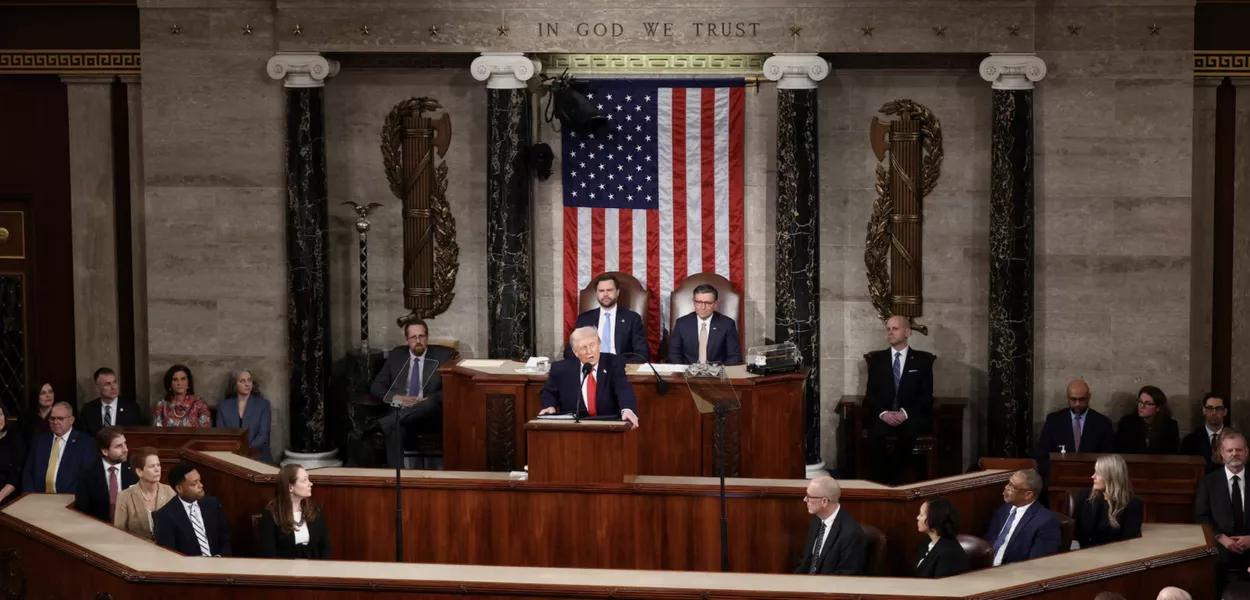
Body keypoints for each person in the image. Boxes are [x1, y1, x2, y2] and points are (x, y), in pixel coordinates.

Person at [369, 320, 456, 469]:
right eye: (413, 337)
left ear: (427, 337)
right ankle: (397, 478)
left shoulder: (443, 357)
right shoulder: (397, 356)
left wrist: (429, 399)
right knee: (395, 425)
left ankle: (382, 423)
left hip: (428, 415)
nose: (418, 341)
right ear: (407, 340)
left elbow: (452, 389)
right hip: (402, 412)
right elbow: (376, 387)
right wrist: (395, 398)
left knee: (428, 403)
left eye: (421, 336)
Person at [863, 315, 935, 484]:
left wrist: (904, 413)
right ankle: (878, 486)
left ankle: (900, 484)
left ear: (908, 332)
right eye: (888, 329)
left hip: (910, 416)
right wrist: (883, 413)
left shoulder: (922, 361)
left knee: (907, 435)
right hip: (884, 416)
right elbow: (870, 395)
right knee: (875, 436)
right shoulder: (877, 360)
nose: (890, 332)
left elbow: (926, 396)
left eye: (895, 329)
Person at [538, 326, 640, 428]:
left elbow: (623, 388)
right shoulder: (561, 369)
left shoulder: (613, 363)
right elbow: (548, 392)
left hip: (608, 427)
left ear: (599, 344)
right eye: (583, 347)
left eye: (592, 345)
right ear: (575, 352)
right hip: (573, 430)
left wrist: (627, 409)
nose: (589, 351)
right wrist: (550, 406)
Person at [1195, 428, 1250, 593]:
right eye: (1230, 450)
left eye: (1239, 450)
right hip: (1220, 550)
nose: (1235, 453)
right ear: (1222, 453)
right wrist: (1222, 538)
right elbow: (1200, 516)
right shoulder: (1209, 482)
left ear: (1246, 452)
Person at [984, 469, 1061, 566]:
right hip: (985, 569)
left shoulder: (1046, 522)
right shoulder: (1003, 510)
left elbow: (1038, 563)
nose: (1006, 487)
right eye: (1008, 483)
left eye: (1012, 486)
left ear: (1028, 494)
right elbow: (989, 541)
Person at [565, 273, 649, 362]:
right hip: (591, 367)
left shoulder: (632, 319)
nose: (605, 294)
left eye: (609, 290)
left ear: (617, 292)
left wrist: (620, 364)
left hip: (620, 367)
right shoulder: (584, 319)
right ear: (596, 293)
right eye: (601, 291)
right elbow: (569, 352)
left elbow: (642, 353)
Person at [153, 462, 230, 556]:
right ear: (179, 489)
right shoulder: (165, 516)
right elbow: (169, 556)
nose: (201, 485)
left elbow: (225, 539)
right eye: (194, 484)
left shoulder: (212, 504)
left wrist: (219, 558)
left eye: (199, 481)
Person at [794, 475, 866, 575]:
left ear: (824, 501)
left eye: (809, 497)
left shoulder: (851, 534)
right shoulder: (817, 521)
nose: (805, 499)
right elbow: (805, 561)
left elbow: (847, 575)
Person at [1035, 379, 1115, 467]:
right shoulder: (1054, 421)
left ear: (1089, 397)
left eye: (1082, 399)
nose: (1077, 404)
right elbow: (1042, 454)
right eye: (1073, 399)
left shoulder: (1102, 423)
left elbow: (1108, 458)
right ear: (1068, 398)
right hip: (1060, 474)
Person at [20, 401, 95, 494]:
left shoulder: (86, 443)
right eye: (52, 418)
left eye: (60, 418)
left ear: (71, 420)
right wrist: (30, 495)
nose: (55, 422)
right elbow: (28, 472)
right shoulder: (39, 441)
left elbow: (88, 476)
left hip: (70, 499)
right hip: (38, 498)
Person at [258, 464, 329, 559]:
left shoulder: (314, 510)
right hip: (284, 571)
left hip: (314, 569)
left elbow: (325, 547)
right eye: (304, 480)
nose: (310, 483)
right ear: (290, 487)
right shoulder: (271, 514)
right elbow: (268, 554)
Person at [1073, 454, 1143, 548]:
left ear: (1111, 476)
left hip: (1114, 557)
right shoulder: (1084, 496)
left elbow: (1128, 542)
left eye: (1098, 473)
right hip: (1084, 554)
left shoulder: (1132, 504)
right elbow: (1074, 532)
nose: (1093, 476)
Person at [74, 427, 138, 522]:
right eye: (119, 446)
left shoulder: (134, 471)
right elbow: (82, 511)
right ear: (105, 451)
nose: (125, 449)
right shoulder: (87, 475)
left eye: (125, 443)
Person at [667, 284, 742, 365]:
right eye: (698, 302)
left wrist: (719, 372)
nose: (703, 307)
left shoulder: (727, 324)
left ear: (715, 304)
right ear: (694, 302)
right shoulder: (681, 323)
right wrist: (683, 372)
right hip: (687, 373)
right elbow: (674, 354)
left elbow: (734, 356)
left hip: (717, 374)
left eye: (708, 303)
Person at [113, 446, 176, 540]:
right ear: (139, 472)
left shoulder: (170, 492)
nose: (157, 469)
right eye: (152, 466)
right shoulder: (124, 497)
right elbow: (119, 533)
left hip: (166, 550)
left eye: (158, 465)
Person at [215, 369, 273, 463]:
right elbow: (221, 433)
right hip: (231, 455)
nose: (247, 384)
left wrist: (245, 451)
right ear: (235, 384)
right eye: (242, 381)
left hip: (257, 456)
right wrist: (235, 451)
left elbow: (263, 435)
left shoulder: (263, 405)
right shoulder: (224, 406)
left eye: (249, 380)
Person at [913, 497, 969, 578]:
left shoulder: (949, 554)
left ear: (933, 519)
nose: (917, 517)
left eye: (921, 515)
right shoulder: (927, 542)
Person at [1115, 385, 1179, 454]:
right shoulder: (1127, 423)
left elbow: (1171, 454)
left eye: (1147, 403)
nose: (1142, 406)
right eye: (1140, 402)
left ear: (1158, 408)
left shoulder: (1170, 426)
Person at [79, 368, 143, 436]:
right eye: (107, 384)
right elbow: (84, 437)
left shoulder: (131, 408)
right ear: (98, 388)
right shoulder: (88, 409)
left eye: (115, 382)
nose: (113, 387)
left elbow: (137, 435)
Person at [1181, 393, 1228, 474]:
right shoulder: (1189, 441)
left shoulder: (1236, 439)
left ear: (1225, 412)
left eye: (1218, 408)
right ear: (1204, 411)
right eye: (1210, 408)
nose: (1214, 413)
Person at [0, 405, 26, 505]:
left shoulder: (15, 439)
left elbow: (16, 475)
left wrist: (0, 496)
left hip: (8, 495)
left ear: (5, 416)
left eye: (0, 414)